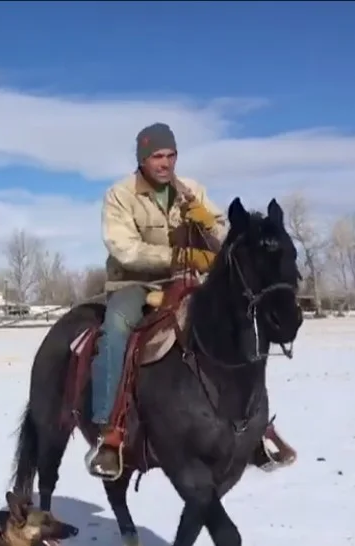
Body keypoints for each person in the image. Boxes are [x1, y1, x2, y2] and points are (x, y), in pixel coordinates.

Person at [87, 122, 296, 481]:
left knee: (242, 326)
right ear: (142, 159)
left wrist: (208, 224)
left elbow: (228, 239)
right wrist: (179, 256)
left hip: (190, 283)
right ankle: (110, 434)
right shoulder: (119, 195)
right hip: (136, 283)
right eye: (157, 156)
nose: (165, 163)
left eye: (170, 156)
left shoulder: (193, 190)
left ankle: (254, 429)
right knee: (117, 329)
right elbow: (124, 249)